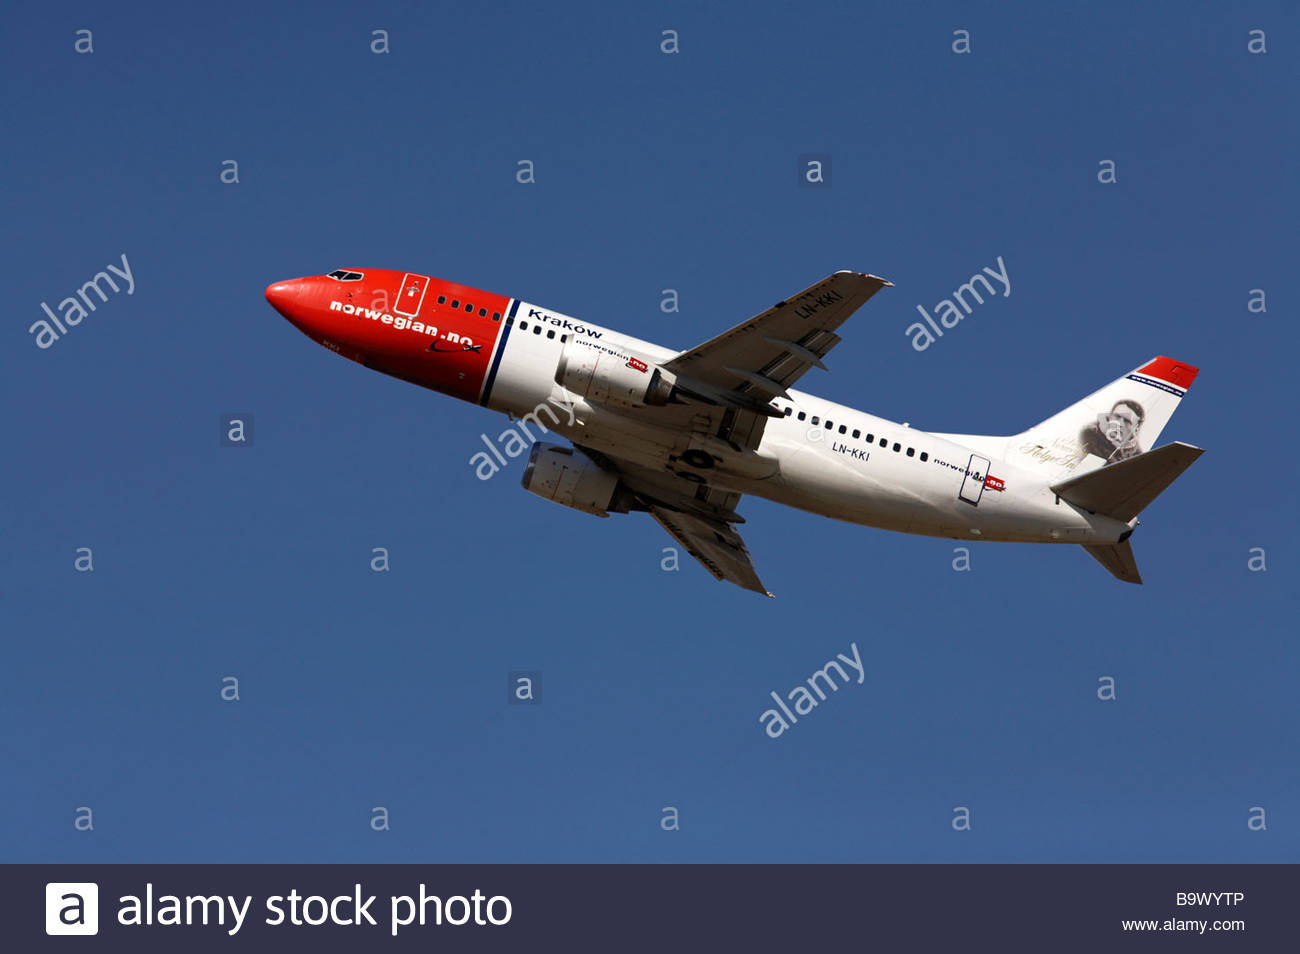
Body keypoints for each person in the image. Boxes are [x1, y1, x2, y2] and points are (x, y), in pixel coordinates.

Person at [1079, 399, 1144, 463]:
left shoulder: (1137, 456)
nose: (1120, 423)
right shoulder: (1089, 436)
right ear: (1110, 417)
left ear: (1135, 429)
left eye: (1127, 421)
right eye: (1117, 416)